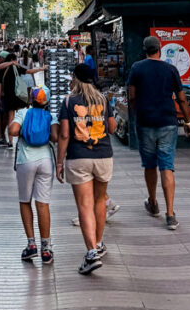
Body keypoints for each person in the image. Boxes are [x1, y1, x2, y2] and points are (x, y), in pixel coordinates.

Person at [127, 34, 190, 230]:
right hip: (167, 122)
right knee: (167, 166)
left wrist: (138, 114)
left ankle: (153, 202)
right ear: (160, 49)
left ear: (144, 50)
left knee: (149, 164)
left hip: (145, 123)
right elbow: (181, 98)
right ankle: (170, 214)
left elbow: (131, 96)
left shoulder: (137, 68)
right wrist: (187, 121)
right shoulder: (170, 69)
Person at [57, 63, 116, 275]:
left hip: (79, 157)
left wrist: (59, 162)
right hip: (103, 156)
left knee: (84, 205)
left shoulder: (69, 101)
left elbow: (64, 134)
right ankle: (98, 244)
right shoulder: (103, 99)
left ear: (76, 79)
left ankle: (91, 253)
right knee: (100, 201)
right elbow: (112, 128)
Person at [10, 86, 58, 264]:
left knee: (25, 201)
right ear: (47, 101)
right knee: (43, 204)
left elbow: (13, 131)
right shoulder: (51, 116)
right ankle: (46, 249)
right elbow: (55, 137)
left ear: (31, 99)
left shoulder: (23, 113)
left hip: (26, 160)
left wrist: (25, 131)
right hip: (45, 161)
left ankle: (31, 245)